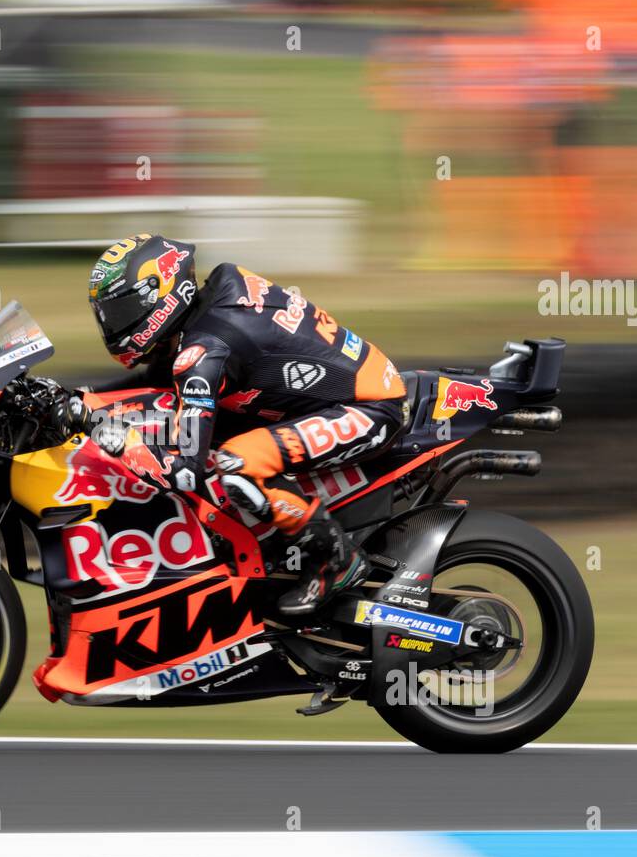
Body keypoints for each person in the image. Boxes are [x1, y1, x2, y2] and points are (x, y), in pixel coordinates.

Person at [85, 233, 407, 615]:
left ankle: (335, 559)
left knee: (235, 468)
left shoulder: (205, 350)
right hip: (332, 396)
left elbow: (183, 470)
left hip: (367, 409)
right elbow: (159, 381)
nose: (113, 324)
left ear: (158, 293)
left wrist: (114, 434)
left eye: (120, 310)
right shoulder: (211, 303)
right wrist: (83, 397)